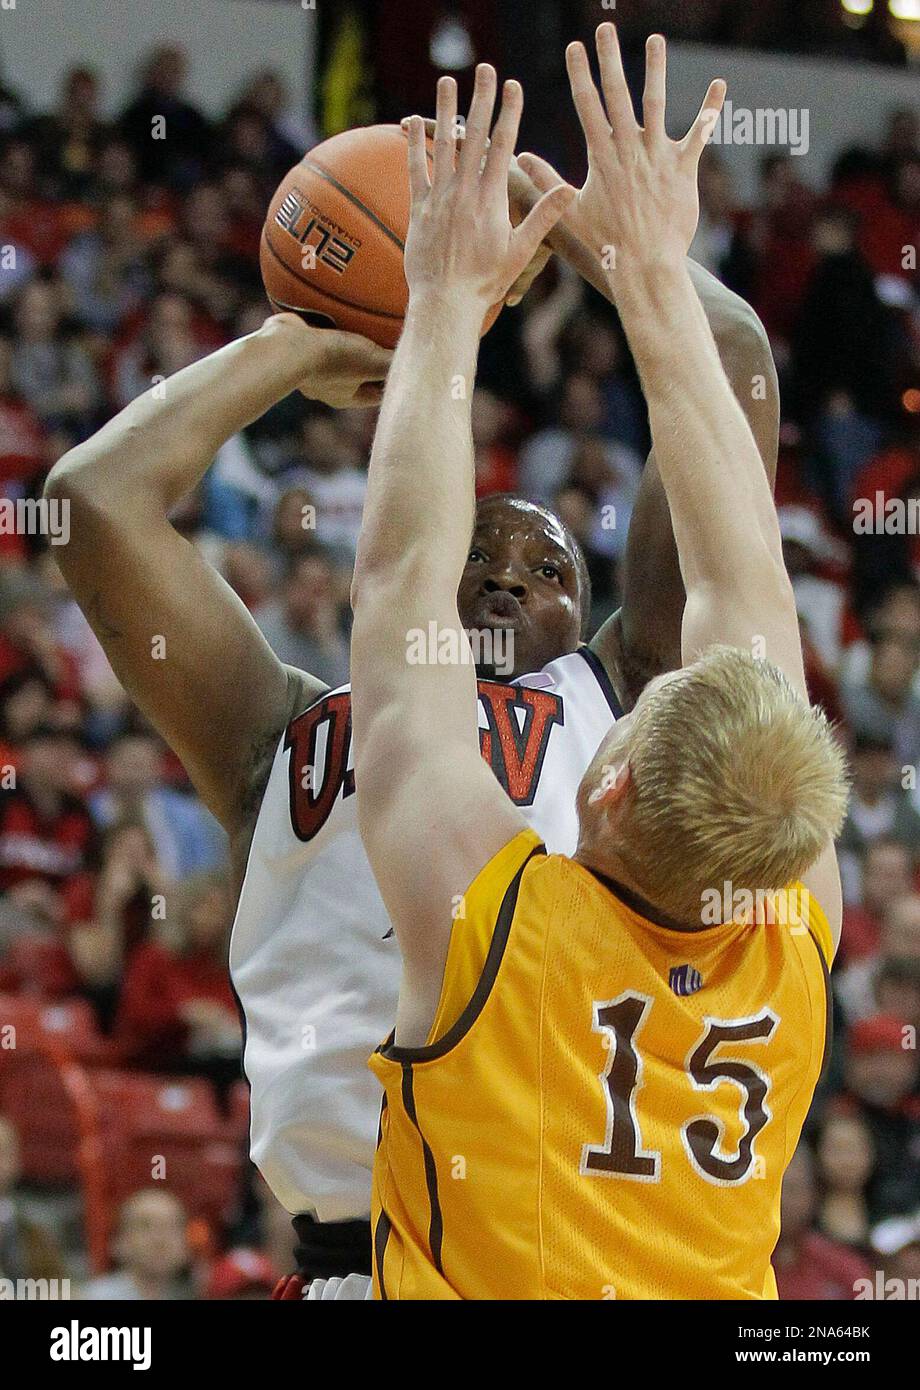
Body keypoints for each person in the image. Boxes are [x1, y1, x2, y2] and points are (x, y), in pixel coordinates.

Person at [44, 64, 778, 1284]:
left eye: (543, 568)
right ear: (403, 572)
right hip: (349, 1257)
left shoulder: (623, 700)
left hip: (539, 1246)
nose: (499, 577)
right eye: (473, 554)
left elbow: (740, 359)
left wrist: (596, 239)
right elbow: (87, 504)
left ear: (599, 621)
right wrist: (293, 348)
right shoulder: (273, 730)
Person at [351, 30, 846, 1299]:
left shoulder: (501, 921)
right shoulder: (789, 922)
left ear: (608, 783)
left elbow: (405, 577)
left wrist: (446, 297)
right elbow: (745, 591)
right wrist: (652, 284)